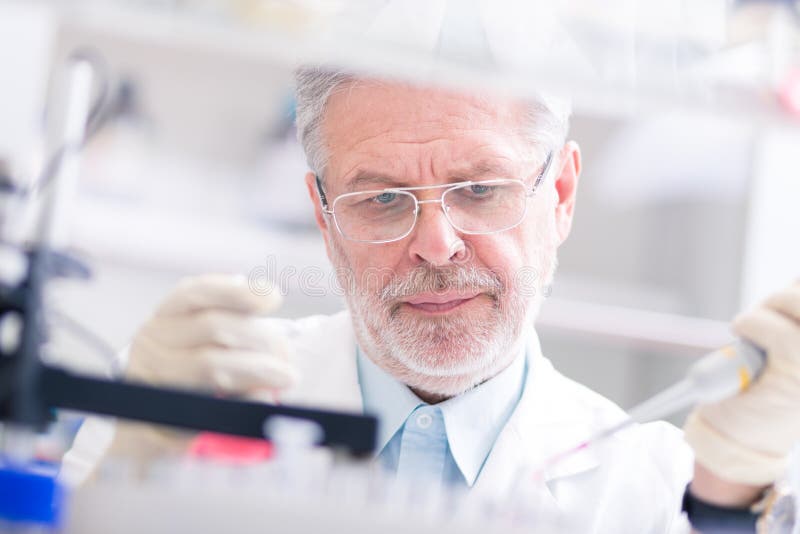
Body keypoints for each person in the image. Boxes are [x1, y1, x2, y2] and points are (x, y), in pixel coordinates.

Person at [62, 68, 800, 532]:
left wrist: (729, 505)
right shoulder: (179, 401)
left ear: (561, 195)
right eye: (382, 199)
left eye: (480, 189)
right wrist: (122, 478)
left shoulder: (659, 491)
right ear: (325, 218)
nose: (436, 243)